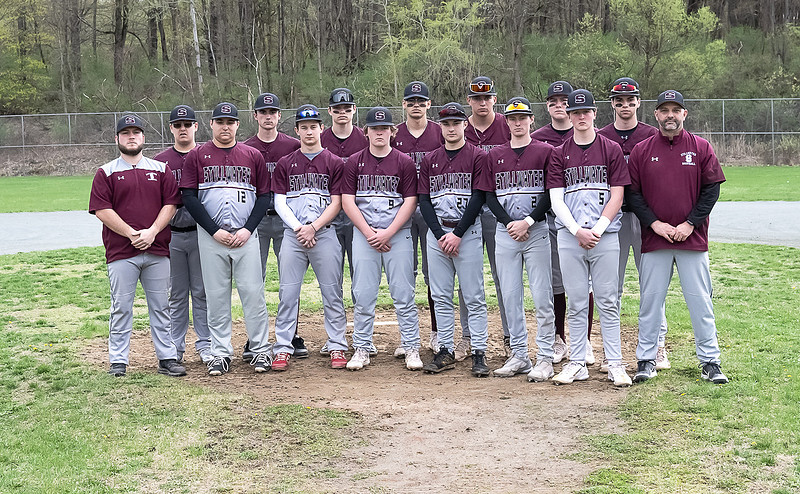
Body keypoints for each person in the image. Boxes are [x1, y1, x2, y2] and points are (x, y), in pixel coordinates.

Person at [627, 90, 728, 385]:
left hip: (691, 240)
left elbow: (712, 189)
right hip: (655, 239)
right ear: (655, 114)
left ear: (684, 114)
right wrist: (655, 224)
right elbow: (633, 194)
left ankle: (710, 362)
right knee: (650, 302)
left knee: (700, 303)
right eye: (664, 110)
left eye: (675, 110)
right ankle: (646, 359)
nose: (670, 115)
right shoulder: (643, 150)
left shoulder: (700, 147)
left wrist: (690, 224)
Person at [180, 102, 273, 376]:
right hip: (212, 236)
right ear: (211, 125)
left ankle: (260, 351)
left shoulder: (252, 155)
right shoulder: (197, 156)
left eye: (230, 122)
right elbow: (188, 197)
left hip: (246, 235)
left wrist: (247, 229)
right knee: (217, 296)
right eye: (220, 121)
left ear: (237, 125)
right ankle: (220, 353)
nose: (225, 126)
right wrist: (213, 230)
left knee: (253, 294)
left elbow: (265, 196)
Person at [547, 89, 632, 387]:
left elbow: (618, 194)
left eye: (586, 112)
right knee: (578, 301)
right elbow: (556, 200)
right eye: (575, 113)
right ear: (568, 116)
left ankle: (615, 363)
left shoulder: (610, 149)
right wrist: (576, 231)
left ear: (595, 114)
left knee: (608, 301)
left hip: (604, 236)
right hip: (570, 237)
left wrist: (597, 229)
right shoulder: (559, 154)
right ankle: (577, 362)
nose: (581, 117)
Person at [89, 114, 185, 378]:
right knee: (121, 306)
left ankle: (167, 357)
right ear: (117, 138)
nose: (131, 136)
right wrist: (133, 234)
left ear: (143, 137)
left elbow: (171, 204)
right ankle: (118, 361)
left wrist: (153, 232)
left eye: (136, 132)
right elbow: (101, 210)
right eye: (125, 133)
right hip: (122, 252)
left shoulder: (160, 169)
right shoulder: (106, 172)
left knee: (161, 306)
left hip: (156, 249)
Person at [270, 105, 350, 371]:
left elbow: (337, 202)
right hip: (294, 236)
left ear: (321, 129)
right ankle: (283, 347)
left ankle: (337, 345)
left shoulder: (333, 162)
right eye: (303, 127)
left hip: (324, 234)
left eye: (313, 126)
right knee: (288, 293)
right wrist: (299, 229)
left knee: (332, 292)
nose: (308, 131)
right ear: (296, 131)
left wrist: (313, 227)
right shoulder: (285, 163)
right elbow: (279, 203)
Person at [343, 107, 422, 371]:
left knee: (403, 293)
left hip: (397, 235)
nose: (380, 132)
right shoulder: (354, 161)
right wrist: (369, 233)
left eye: (385, 128)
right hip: (364, 234)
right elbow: (347, 201)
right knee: (363, 293)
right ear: (365, 132)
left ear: (392, 131)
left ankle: (411, 346)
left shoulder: (404, 162)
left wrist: (388, 232)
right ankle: (362, 348)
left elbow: (411, 201)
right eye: (375, 129)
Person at [596, 77, 667, 373]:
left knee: (651, 282)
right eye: (619, 101)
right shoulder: (601, 135)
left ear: (639, 102)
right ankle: (609, 350)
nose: (625, 105)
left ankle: (658, 345)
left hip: (644, 216)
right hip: (612, 216)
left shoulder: (652, 134)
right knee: (610, 285)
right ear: (612, 104)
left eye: (630, 100)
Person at [485, 97, 557, 381]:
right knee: (510, 295)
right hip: (506, 233)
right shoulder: (495, 155)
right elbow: (489, 194)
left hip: (536, 230)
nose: (517, 122)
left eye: (522, 117)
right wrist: (508, 223)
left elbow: (551, 192)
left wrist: (527, 221)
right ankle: (519, 354)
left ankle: (545, 357)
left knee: (541, 296)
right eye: (512, 118)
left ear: (531, 120)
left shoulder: (546, 151)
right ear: (506, 122)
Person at [419, 102, 491, 377]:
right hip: (437, 234)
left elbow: (478, 197)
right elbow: (424, 200)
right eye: (446, 124)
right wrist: (440, 234)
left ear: (465, 125)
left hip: (467, 233)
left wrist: (457, 233)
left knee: (473, 295)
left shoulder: (477, 156)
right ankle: (446, 349)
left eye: (456, 123)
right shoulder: (430, 159)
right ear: (441, 127)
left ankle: (479, 351)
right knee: (440, 295)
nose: (451, 128)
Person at [243, 92, 309, 359]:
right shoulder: (246, 147)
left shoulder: (293, 145)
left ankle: (290, 335)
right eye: (263, 112)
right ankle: (254, 338)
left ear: (279, 116)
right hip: (256, 220)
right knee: (252, 281)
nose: (268, 116)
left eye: (273, 112)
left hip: (286, 220)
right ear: (256, 116)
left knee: (289, 283)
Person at [153, 105, 211, 365]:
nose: (183, 129)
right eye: (178, 125)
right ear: (171, 129)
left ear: (196, 127)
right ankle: (175, 346)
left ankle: (205, 343)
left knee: (201, 292)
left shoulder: (206, 155)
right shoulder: (160, 160)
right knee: (176, 294)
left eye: (188, 124)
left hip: (201, 234)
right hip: (172, 235)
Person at [462, 75, 512, 359]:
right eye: (476, 98)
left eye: (487, 97)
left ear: (495, 99)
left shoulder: (507, 125)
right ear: (469, 100)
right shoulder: (458, 126)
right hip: (465, 211)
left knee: (501, 275)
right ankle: (468, 337)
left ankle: (509, 336)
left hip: (497, 211)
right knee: (467, 277)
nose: (482, 102)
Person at [391, 81, 442, 357]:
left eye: (421, 101)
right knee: (404, 274)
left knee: (433, 274)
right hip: (401, 210)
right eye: (411, 101)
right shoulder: (393, 133)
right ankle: (407, 336)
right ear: (403, 105)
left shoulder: (439, 132)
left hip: (433, 208)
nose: (416, 106)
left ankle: (436, 332)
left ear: (429, 105)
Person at [321, 87, 370, 355]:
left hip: (357, 215)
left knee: (361, 279)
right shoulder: (320, 137)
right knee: (332, 279)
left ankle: (364, 337)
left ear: (354, 110)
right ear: (329, 111)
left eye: (347, 108)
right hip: (328, 215)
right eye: (337, 109)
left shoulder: (365, 138)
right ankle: (336, 337)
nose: (342, 113)